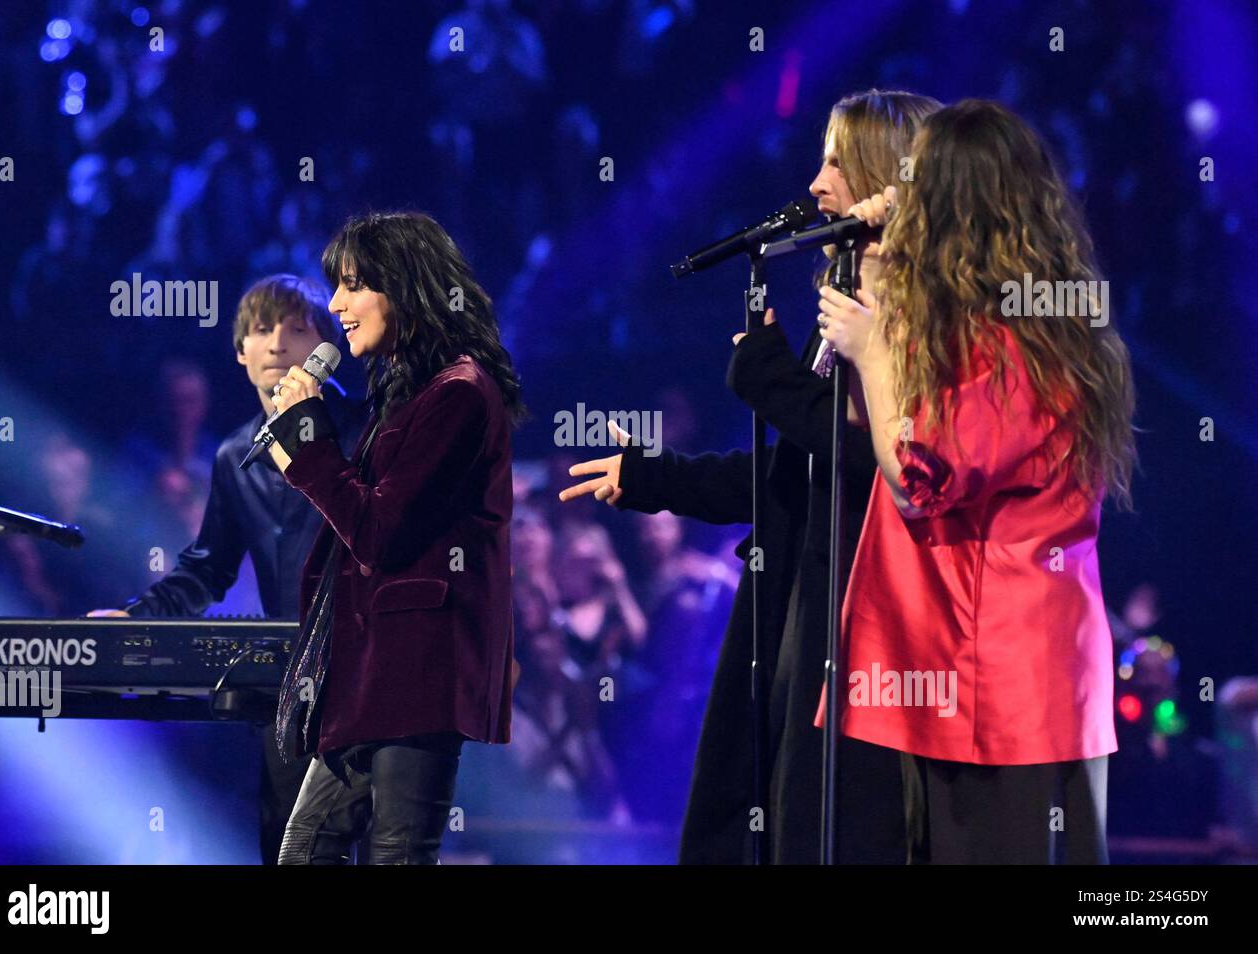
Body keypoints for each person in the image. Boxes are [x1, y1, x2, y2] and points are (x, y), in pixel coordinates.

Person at [559, 89, 940, 863]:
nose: (817, 184)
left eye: (838, 163)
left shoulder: (924, 321)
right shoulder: (847, 307)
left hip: (869, 622)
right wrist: (655, 477)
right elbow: (794, 471)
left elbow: (891, 467)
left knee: (838, 825)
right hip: (802, 599)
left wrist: (771, 381)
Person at [814, 99, 1137, 863]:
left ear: (953, 204)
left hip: (999, 681)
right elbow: (871, 422)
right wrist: (874, 284)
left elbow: (917, 477)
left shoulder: (1024, 345)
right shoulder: (985, 328)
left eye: (916, 182)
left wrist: (873, 348)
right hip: (958, 668)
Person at [265, 211, 523, 865]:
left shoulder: (459, 394)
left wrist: (310, 448)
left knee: (397, 855)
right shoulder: (408, 394)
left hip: (419, 666)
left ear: (404, 288)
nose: (336, 305)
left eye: (353, 285)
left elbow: (380, 532)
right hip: (371, 671)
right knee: (305, 850)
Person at [89, 274, 363, 864]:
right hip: (288, 692)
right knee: (289, 849)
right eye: (261, 330)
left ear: (326, 344)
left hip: (370, 680)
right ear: (240, 352)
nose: (276, 344)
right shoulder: (237, 455)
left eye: (295, 329)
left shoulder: (369, 433)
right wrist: (136, 619)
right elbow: (208, 567)